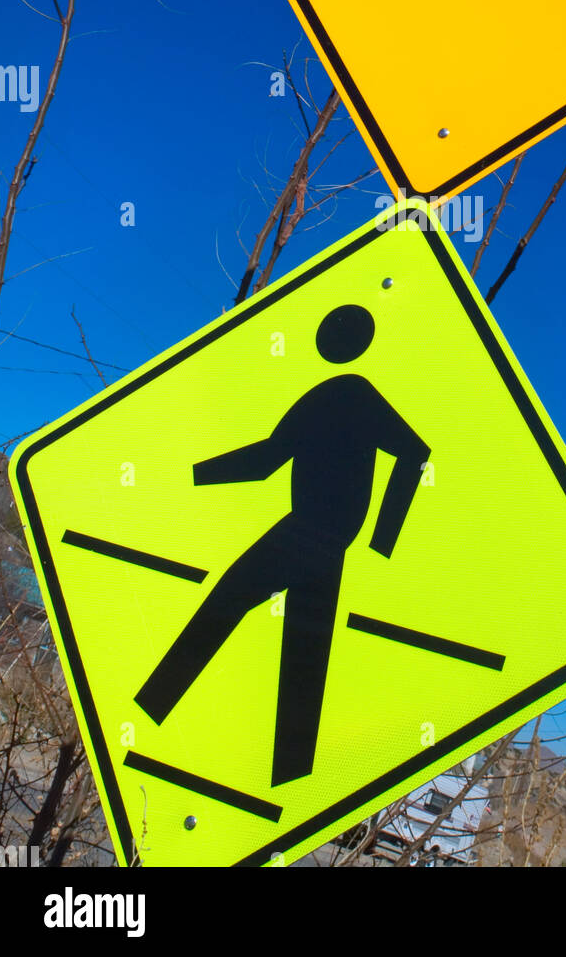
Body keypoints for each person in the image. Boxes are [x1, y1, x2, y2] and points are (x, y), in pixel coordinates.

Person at [134, 304, 430, 787]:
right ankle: (290, 775)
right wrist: (188, 474)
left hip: (313, 532)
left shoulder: (355, 392)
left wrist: (382, 540)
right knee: (305, 648)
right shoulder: (320, 396)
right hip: (319, 536)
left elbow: (415, 451)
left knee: (231, 602)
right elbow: (267, 459)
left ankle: (154, 705)